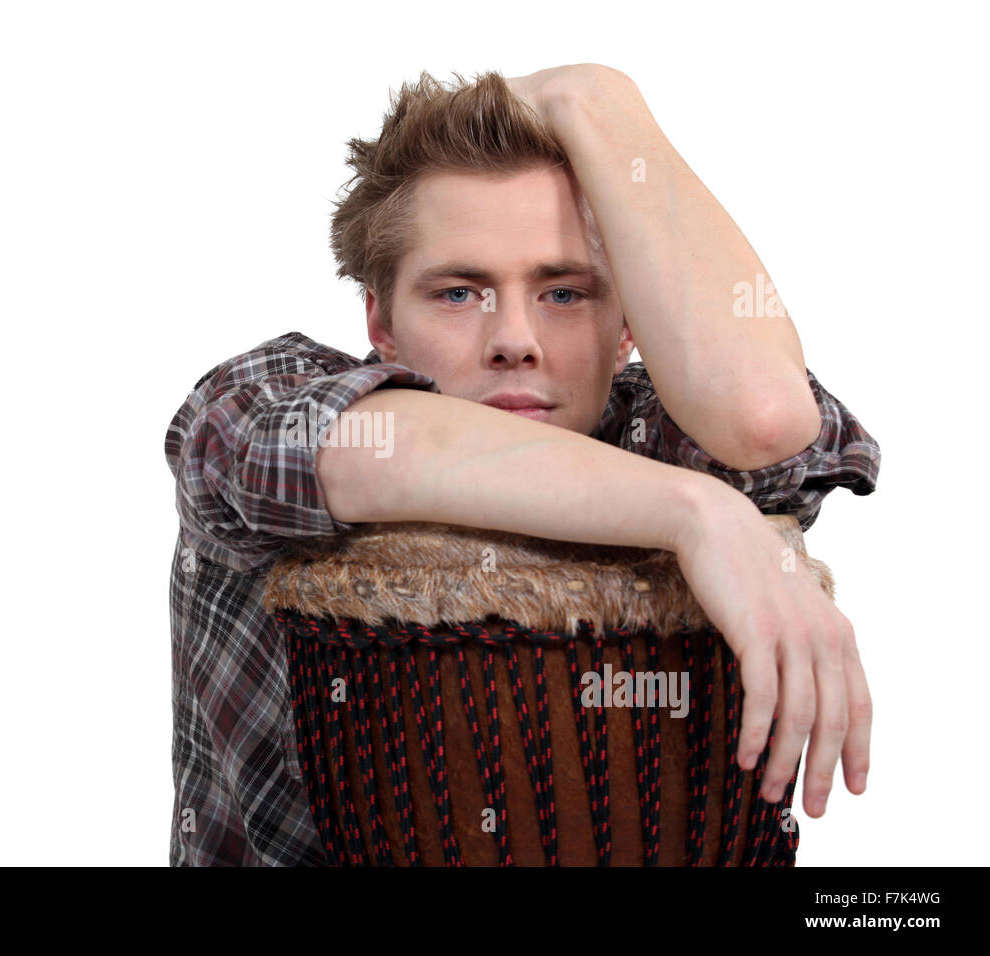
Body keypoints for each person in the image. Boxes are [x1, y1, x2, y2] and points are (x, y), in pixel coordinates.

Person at [164, 66, 881, 866]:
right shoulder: (260, 396)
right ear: (381, 320)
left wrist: (598, 103)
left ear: (631, 324)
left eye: (565, 293)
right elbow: (388, 449)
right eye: (460, 292)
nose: (515, 338)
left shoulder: (654, 431)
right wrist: (697, 513)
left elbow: (766, 417)